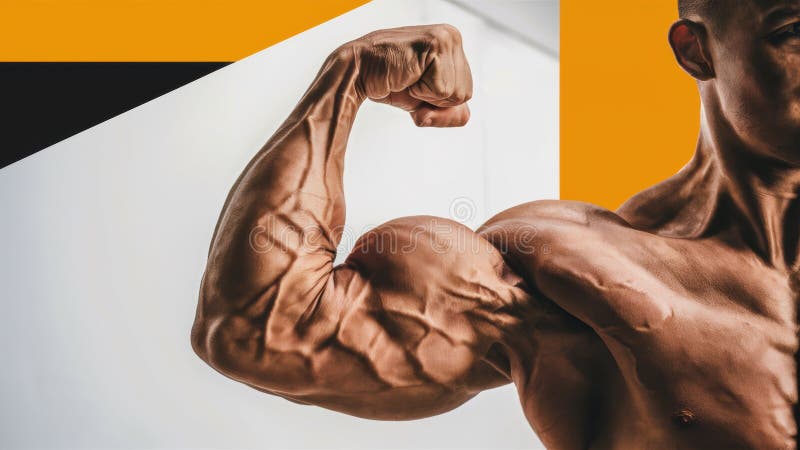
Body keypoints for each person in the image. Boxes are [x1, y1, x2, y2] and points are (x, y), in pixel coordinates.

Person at [190, 1, 800, 447]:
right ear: (697, 50)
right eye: (794, 30)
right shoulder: (574, 269)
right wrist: (347, 78)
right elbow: (260, 332)